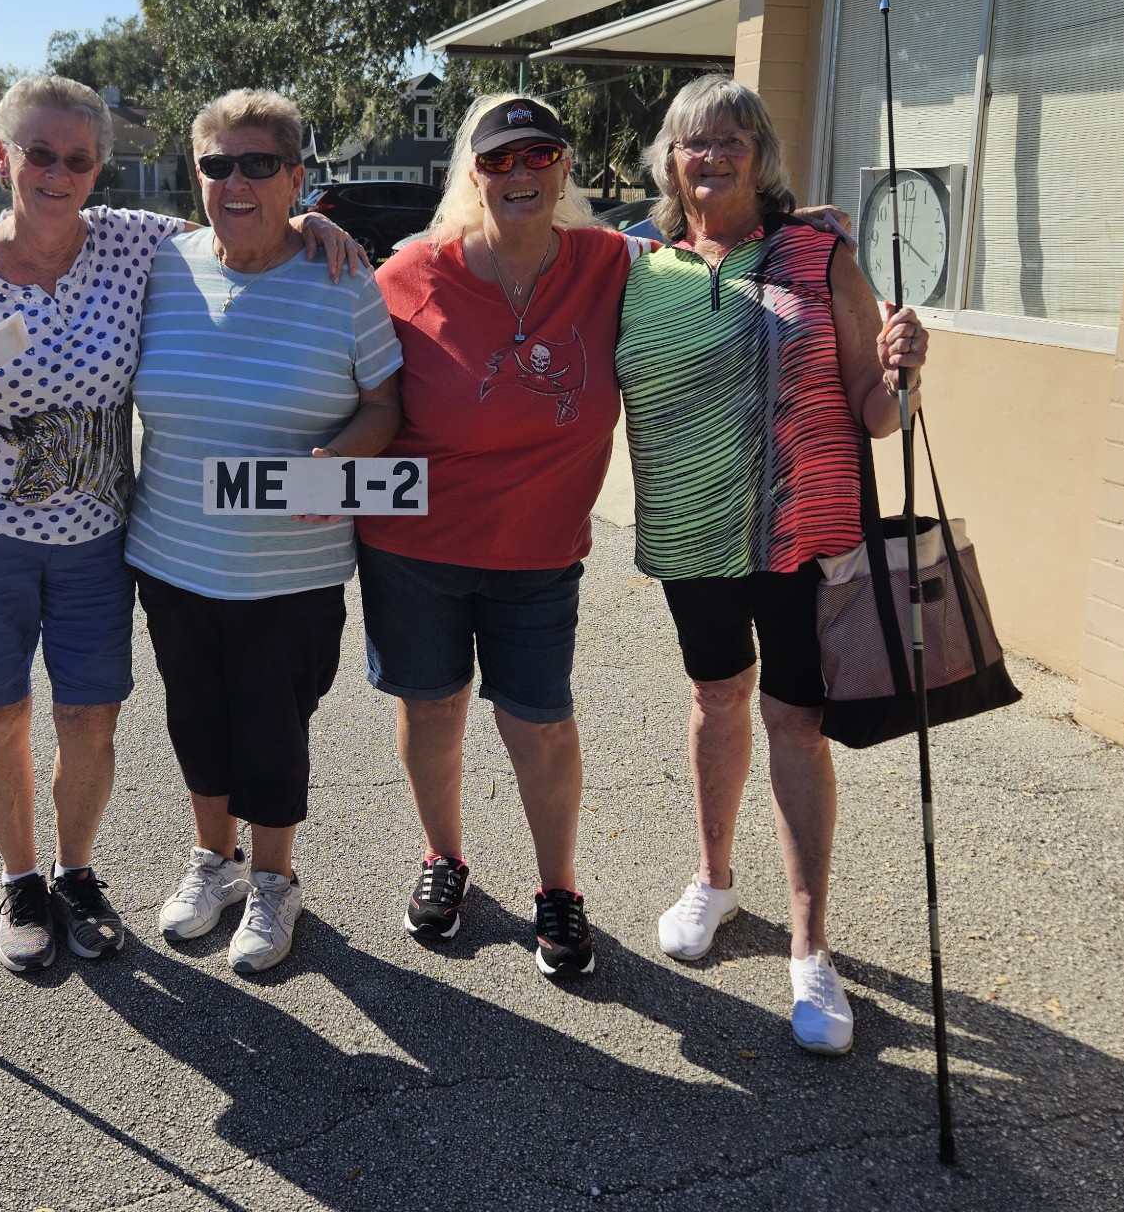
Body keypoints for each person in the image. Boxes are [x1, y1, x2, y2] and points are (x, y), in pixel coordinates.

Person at [0, 75, 364, 977]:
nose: (57, 173)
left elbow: (243, 227)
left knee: (90, 717)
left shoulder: (140, 247)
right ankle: (21, 880)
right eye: (39, 154)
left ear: (100, 168)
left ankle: (75, 874)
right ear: (3, 158)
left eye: (77, 158)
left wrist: (312, 226)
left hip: (99, 534)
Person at [615, 73, 926, 1056]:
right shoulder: (639, 262)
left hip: (801, 532)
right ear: (666, 161)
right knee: (714, 702)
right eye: (689, 143)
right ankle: (711, 883)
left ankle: (808, 947)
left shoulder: (816, 251)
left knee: (794, 722)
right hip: (689, 533)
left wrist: (902, 370)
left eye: (729, 140)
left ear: (761, 155)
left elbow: (875, 416)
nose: (709, 157)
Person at [359, 95, 641, 979]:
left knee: (541, 723)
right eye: (497, 161)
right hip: (413, 547)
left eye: (538, 156)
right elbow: (348, 386)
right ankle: (444, 858)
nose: (518, 174)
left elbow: (722, 254)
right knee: (430, 706)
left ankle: (558, 889)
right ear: (470, 174)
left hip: (540, 555)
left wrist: (805, 236)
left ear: (563, 170)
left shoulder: (614, 264)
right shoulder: (406, 275)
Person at [127, 88, 402, 975]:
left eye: (258, 165)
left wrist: (339, 467)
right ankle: (215, 860)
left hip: (292, 565)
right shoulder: (160, 266)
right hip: (171, 553)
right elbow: (52, 206)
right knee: (196, 718)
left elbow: (384, 405)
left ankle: (276, 880)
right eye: (217, 164)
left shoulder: (341, 276)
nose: (235, 182)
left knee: (274, 726)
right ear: (195, 173)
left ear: (296, 177)